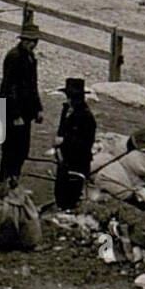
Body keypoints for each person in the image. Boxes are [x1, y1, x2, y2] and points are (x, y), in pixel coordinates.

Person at [0, 21, 43, 183]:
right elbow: (9, 87)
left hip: (25, 110)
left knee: (22, 150)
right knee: (10, 150)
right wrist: (15, 114)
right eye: (29, 41)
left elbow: (32, 85)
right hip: (11, 109)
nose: (32, 44)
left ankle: (13, 180)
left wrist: (38, 108)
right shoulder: (14, 57)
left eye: (34, 41)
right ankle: (3, 184)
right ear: (22, 40)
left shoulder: (30, 57)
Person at [54, 77, 96, 210]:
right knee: (60, 191)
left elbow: (84, 142)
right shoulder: (66, 109)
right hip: (64, 157)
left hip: (78, 160)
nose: (69, 100)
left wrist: (64, 141)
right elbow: (61, 129)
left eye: (72, 97)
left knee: (71, 194)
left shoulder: (86, 117)